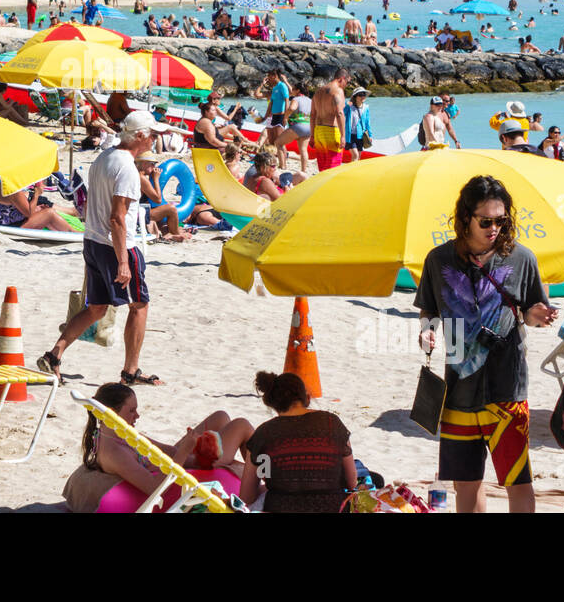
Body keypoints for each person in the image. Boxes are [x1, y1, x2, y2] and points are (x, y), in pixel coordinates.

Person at [415, 175, 558, 513]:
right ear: (466, 217)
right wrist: (426, 331)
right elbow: (429, 311)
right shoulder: (439, 260)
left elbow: (532, 312)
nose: (494, 227)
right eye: (486, 221)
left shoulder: (522, 258)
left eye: (501, 220)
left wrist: (537, 316)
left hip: (506, 388)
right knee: (465, 484)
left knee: (516, 480)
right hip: (458, 389)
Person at [38, 111, 173, 387]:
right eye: (153, 134)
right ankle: (130, 371)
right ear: (140, 136)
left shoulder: (103, 158)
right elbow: (117, 218)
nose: (156, 139)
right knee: (140, 305)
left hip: (93, 242)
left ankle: (54, 355)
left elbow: (93, 206)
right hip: (115, 246)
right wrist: (123, 261)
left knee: (97, 307)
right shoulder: (126, 168)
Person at [62, 382, 252, 512]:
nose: (137, 416)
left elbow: (165, 450)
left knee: (220, 417)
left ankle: (255, 475)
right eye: (131, 411)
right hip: (165, 482)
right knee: (241, 425)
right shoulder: (113, 452)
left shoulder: (118, 432)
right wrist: (186, 451)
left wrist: (193, 454)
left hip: (166, 466)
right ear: (112, 413)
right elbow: (154, 489)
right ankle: (263, 486)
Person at [239, 371, 355, 512]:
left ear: (272, 403)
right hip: (332, 507)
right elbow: (351, 482)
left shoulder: (263, 434)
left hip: (281, 507)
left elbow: (246, 497)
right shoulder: (332, 423)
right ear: (306, 397)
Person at [310, 67, 349, 170]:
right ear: (341, 79)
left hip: (318, 131)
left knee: (322, 168)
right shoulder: (338, 91)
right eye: (347, 82)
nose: (346, 85)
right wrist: (343, 136)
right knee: (333, 168)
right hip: (331, 132)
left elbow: (312, 115)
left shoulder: (318, 91)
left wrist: (312, 135)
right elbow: (339, 113)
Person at [261, 70, 290, 162]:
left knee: (279, 141)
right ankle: (273, 161)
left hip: (281, 116)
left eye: (269, 76)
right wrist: (265, 116)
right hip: (273, 116)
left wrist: (286, 116)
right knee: (272, 141)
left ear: (274, 76)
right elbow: (271, 103)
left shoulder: (282, 86)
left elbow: (286, 100)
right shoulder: (274, 88)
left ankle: (284, 163)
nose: (268, 78)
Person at [344, 87, 372, 162]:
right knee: (355, 155)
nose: (363, 96)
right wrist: (347, 104)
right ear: (355, 96)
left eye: (364, 94)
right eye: (360, 94)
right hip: (350, 135)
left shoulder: (366, 108)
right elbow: (341, 113)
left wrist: (370, 135)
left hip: (361, 135)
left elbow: (367, 123)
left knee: (358, 156)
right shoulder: (349, 107)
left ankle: (352, 171)